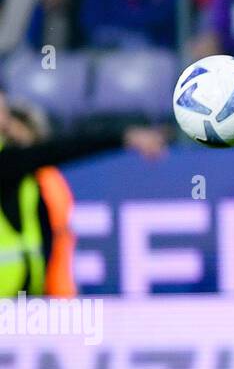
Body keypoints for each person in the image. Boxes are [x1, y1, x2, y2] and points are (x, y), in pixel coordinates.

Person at [0, 89, 168, 297]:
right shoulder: (9, 163)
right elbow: (61, 149)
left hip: (26, 296)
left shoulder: (26, 172)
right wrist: (124, 138)